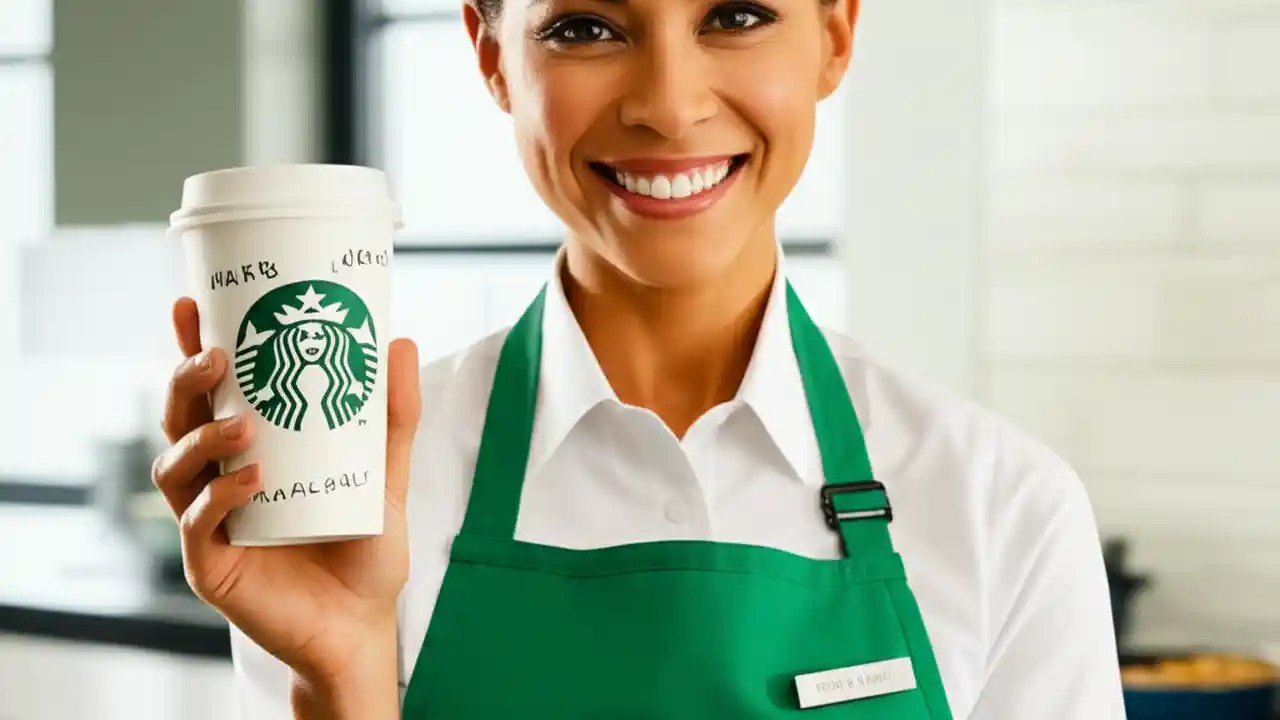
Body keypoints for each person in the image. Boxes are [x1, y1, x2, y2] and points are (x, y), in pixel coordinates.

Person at [150, 0, 1126, 714]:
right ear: (489, 54)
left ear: (834, 33)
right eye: (583, 27)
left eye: (735, 16)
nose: (667, 105)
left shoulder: (1002, 507)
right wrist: (340, 671)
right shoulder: (355, 496)